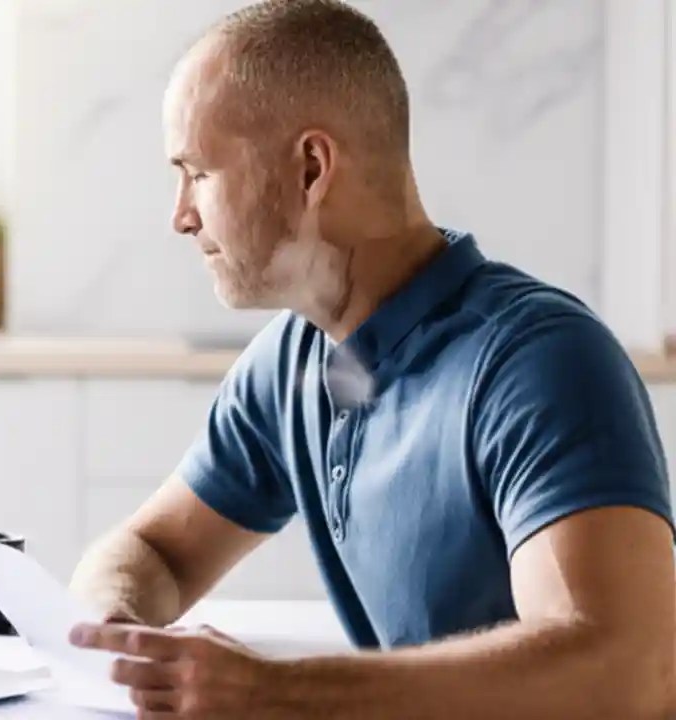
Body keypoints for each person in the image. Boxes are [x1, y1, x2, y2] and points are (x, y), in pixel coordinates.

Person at [66, 1, 676, 717]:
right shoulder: (291, 366)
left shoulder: (539, 363)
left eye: (197, 172)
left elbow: (632, 671)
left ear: (311, 169)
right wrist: (117, 628)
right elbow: (155, 552)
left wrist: (275, 693)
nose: (181, 215)